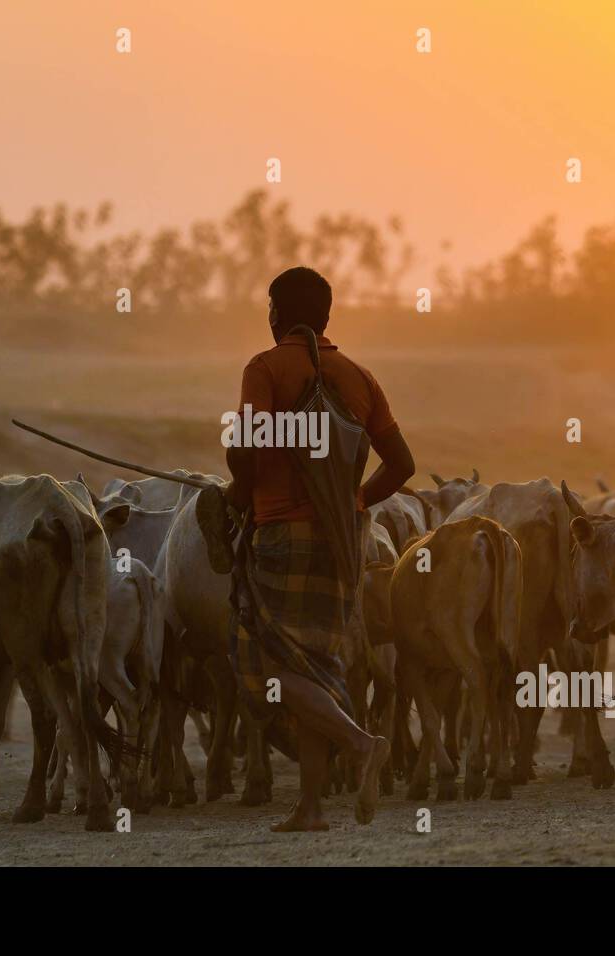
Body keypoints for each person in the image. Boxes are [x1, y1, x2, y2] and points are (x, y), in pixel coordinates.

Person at [224, 265, 416, 831]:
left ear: (275, 314)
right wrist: (355, 501)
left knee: (264, 665)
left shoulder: (264, 369)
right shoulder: (360, 377)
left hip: (281, 536)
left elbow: (250, 456)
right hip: (343, 541)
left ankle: (360, 744)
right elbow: (402, 465)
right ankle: (310, 807)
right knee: (317, 668)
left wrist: (237, 486)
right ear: (328, 316)